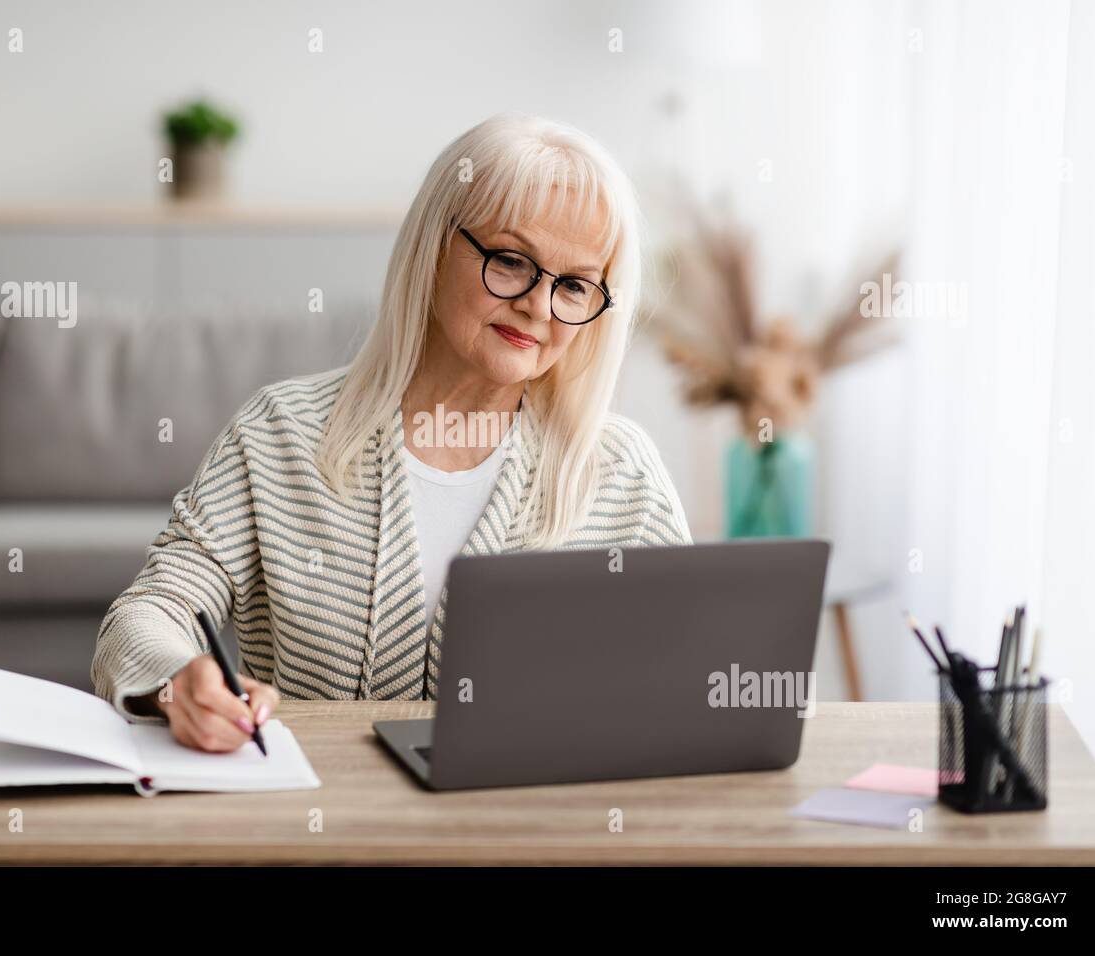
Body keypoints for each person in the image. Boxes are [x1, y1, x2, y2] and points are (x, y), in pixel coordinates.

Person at [91, 113, 692, 752]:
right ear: (433, 247)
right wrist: (177, 682)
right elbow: (146, 613)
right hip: (324, 826)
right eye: (512, 261)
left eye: (574, 285)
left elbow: (692, 668)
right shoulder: (279, 433)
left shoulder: (621, 470)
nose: (539, 307)